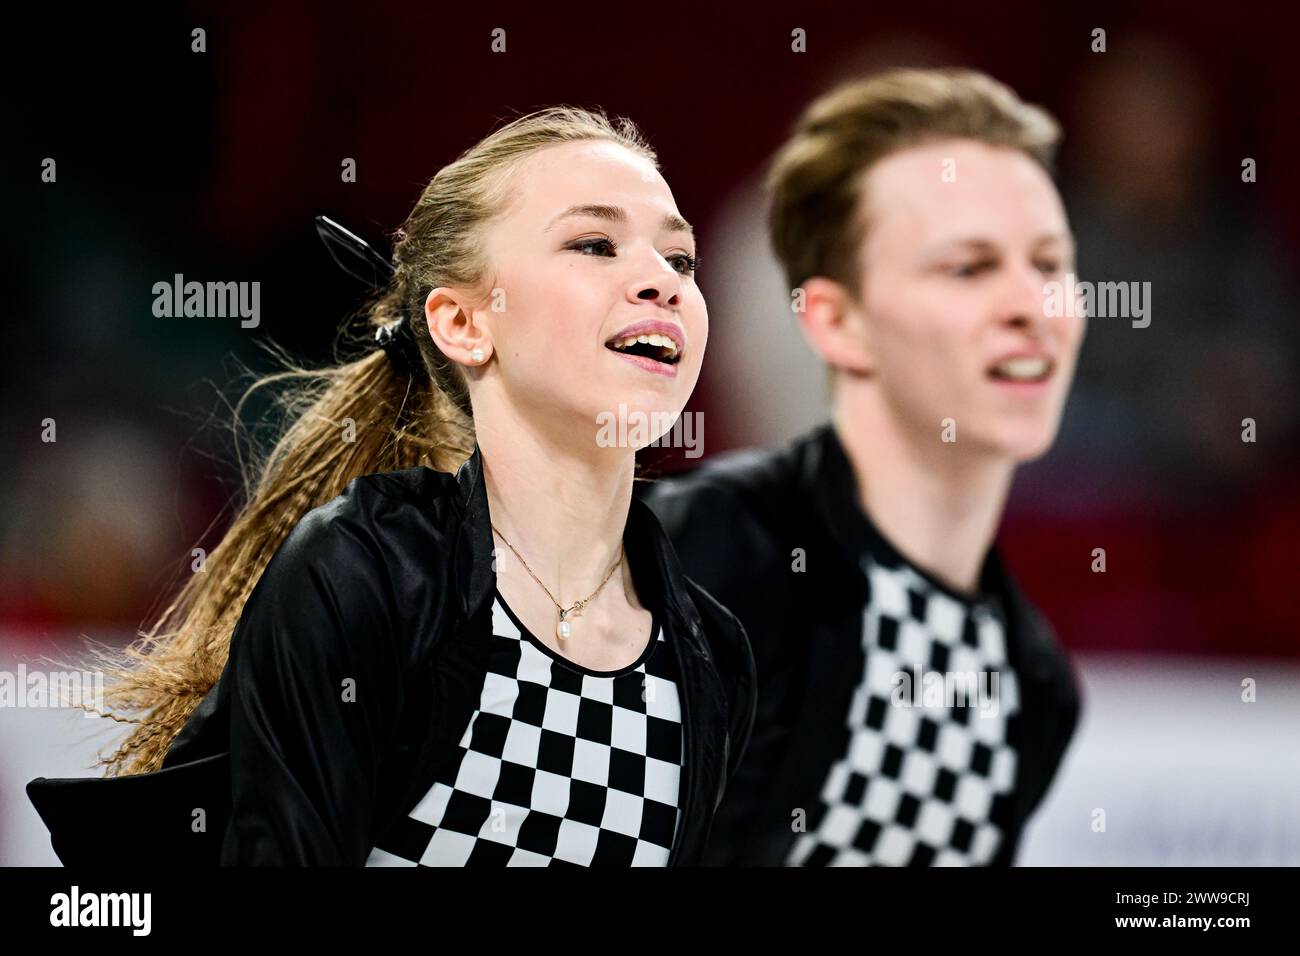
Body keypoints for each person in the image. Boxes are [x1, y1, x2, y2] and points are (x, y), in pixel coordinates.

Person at [27, 106, 756, 867]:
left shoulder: (712, 655)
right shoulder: (366, 573)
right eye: (595, 243)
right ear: (464, 323)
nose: (661, 283)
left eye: (681, 261)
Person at [641, 68, 1083, 866]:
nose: (1030, 306)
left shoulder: (1032, 685)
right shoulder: (688, 565)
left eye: (1049, 264)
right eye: (967, 267)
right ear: (838, 323)